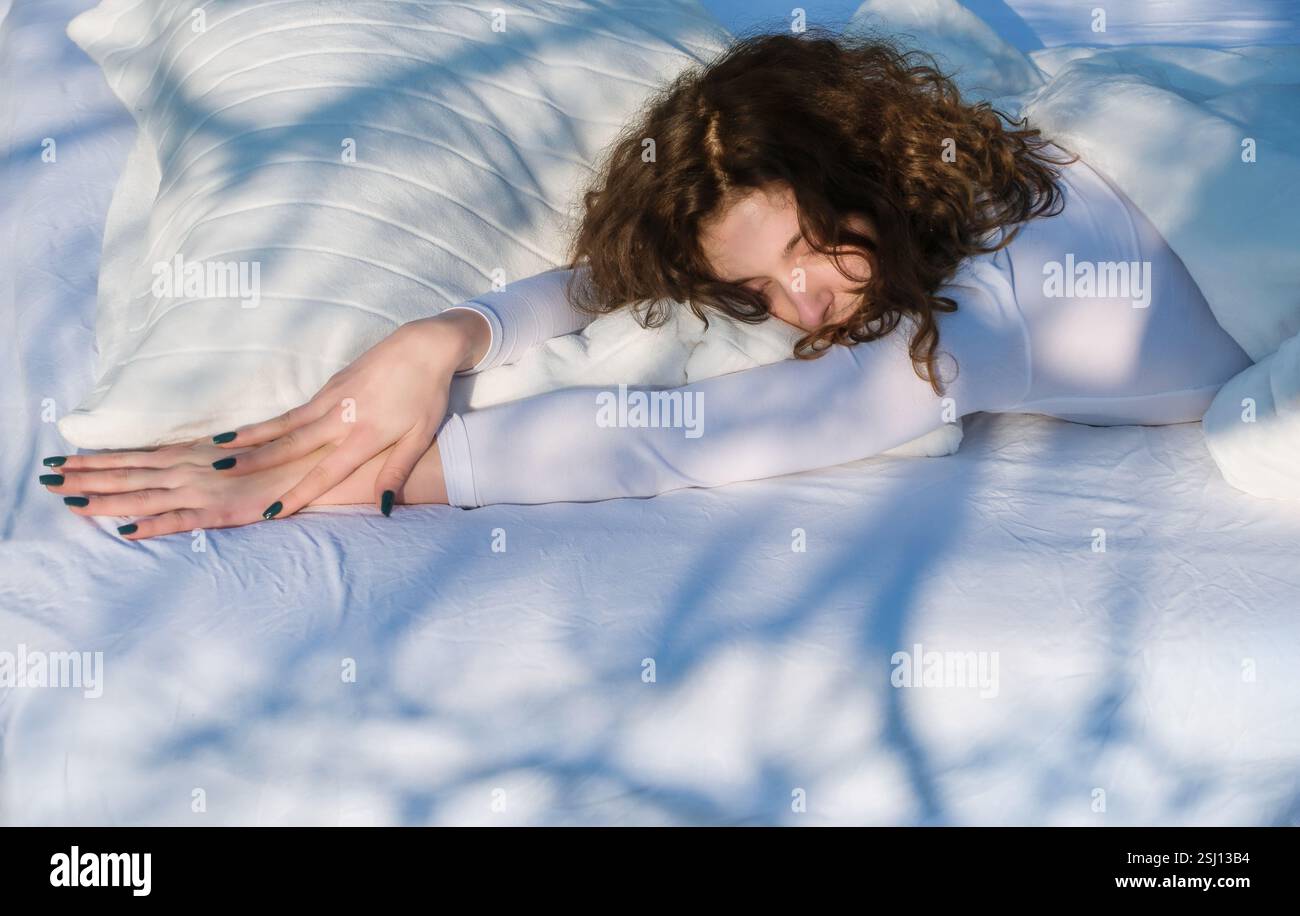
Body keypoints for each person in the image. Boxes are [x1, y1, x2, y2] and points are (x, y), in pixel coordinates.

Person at [39, 32, 1251, 539]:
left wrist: (342, 470)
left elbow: (677, 440)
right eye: (758, 285)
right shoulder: (954, 169)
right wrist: (450, 332)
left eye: (816, 246)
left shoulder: (974, 323)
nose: (804, 303)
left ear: (862, 175)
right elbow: (628, 280)